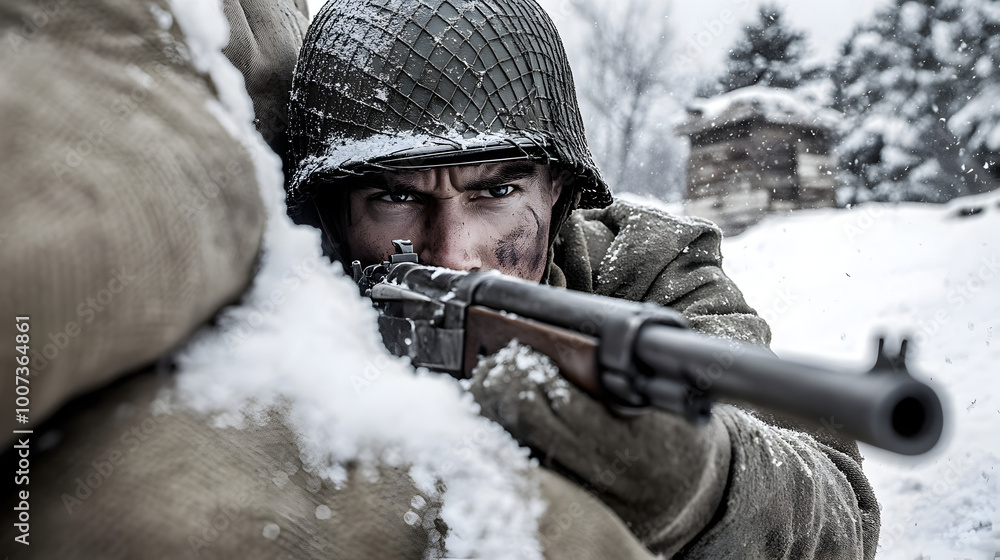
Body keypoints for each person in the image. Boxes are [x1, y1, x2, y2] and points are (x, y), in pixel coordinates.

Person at [285, 0, 880, 558]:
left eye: (496, 191)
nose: (452, 254)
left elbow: (842, 514)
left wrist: (708, 484)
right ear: (332, 213)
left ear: (559, 194)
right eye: (395, 197)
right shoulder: (288, 300)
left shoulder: (645, 270)